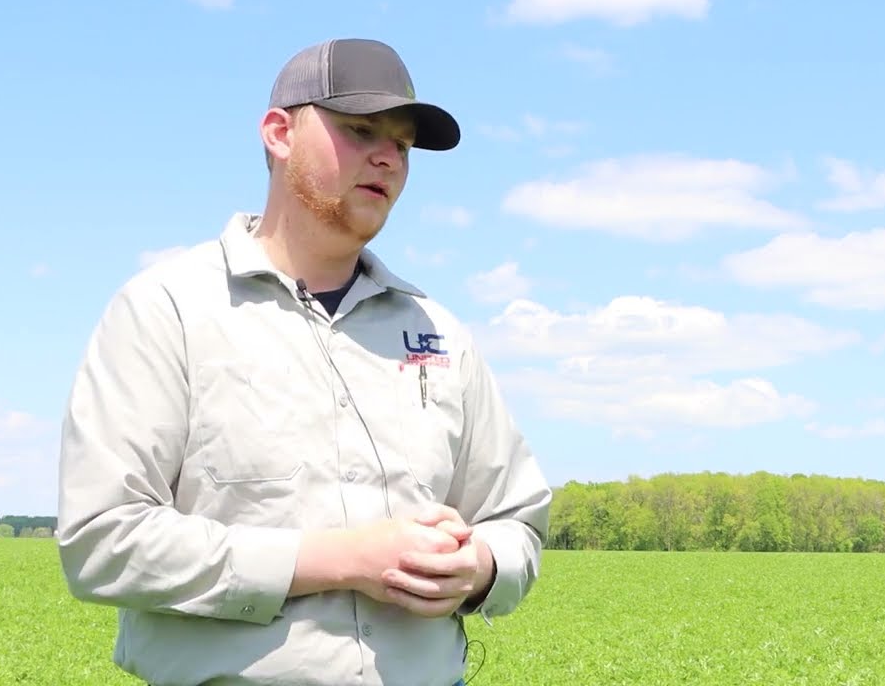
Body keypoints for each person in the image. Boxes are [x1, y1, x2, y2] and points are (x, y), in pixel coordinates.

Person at [56, 37, 553, 686]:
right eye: (360, 129)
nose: (387, 157)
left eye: (402, 144)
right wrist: (340, 559)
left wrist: (480, 567)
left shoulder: (438, 333)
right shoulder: (167, 311)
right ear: (278, 133)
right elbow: (102, 542)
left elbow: (516, 518)